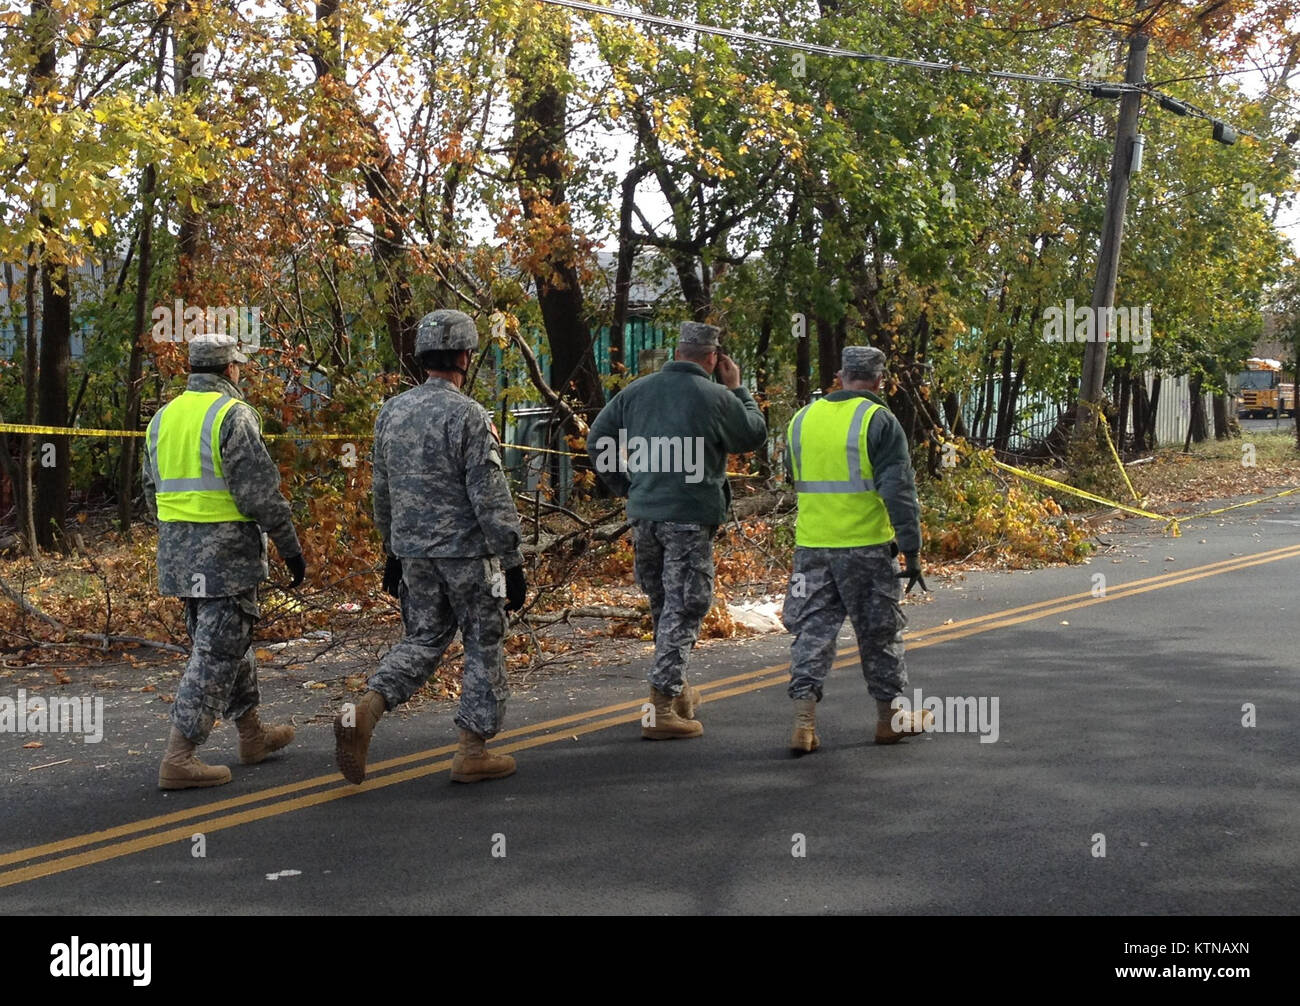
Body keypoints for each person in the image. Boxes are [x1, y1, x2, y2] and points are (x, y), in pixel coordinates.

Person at [335, 309, 526, 785]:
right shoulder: (469, 415)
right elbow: (490, 495)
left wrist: (391, 552)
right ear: (464, 355)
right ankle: (472, 750)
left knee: (422, 639)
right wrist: (513, 558)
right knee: (483, 643)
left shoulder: (391, 412)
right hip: (467, 556)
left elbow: (382, 490)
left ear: (423, 356)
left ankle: (368, 708)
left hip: (414, 553)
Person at [587, 321, 767, 739]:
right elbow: (752, 435)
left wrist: (628, 487)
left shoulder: (636, 391)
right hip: (688, 516)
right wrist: (738, 387)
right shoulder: (717, 395)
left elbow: (598, 438)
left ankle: (679, 688)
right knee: (685, 607)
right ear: (713, 358)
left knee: (664, 604)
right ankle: (662, 706)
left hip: (645, 514)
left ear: (678, 351)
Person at [143, 333, 306, 790]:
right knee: (215, 653)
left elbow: (149, 490)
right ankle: (180, 756)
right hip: (226, 558)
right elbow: (260, 493)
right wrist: (289, 547)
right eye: (240, 366)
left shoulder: (162, 418)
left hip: (179, 558)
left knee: (228, 642)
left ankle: (251, 735)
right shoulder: (232, 416)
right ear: (231, 368)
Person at [782, 345, 932, 754]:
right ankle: (889, 720)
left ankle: (804, 722)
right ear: (879, 380)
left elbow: (790, 475)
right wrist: (912, 550)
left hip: (811, 546)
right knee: (879, 634)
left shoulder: (802, 419)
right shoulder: (878, 420)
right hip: (865, 548)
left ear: (840, 374)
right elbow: (899, 491)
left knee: (811, 631)